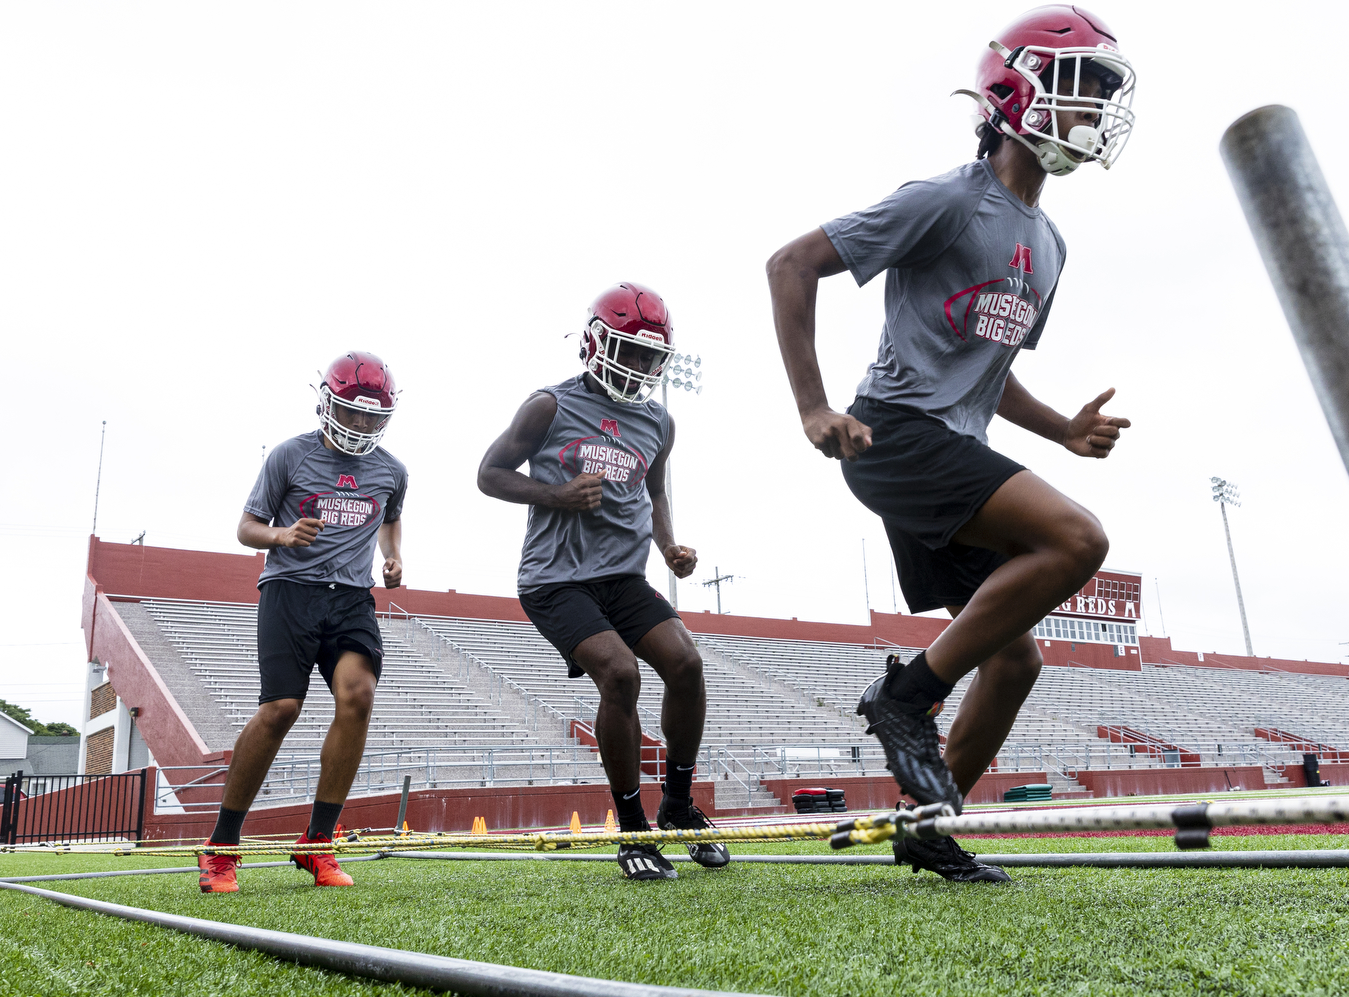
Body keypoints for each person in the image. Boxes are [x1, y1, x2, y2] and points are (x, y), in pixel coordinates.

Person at [765, 5, 1137, 882]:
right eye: (1083, 87)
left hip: (948, 445)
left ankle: (926, 826)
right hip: (893, 434)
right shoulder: (945, 198)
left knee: (1014, 660)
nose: (1095, 109)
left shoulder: (1050, 244)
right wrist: (813, 407)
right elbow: (790, 263)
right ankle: (906, 697)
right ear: (1019, 89)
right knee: (1079, 539)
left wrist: (1066, 433)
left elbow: (988, 372)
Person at [477, 283, 723, 882]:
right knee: (621, 673)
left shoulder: (658, 421)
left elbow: (655, 489)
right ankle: (633, 828)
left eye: (648, 357)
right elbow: (489, 473)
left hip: (622, 575)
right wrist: (555, 495)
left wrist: (669, 546)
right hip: (555, 581)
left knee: (687, 666)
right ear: (594, 341)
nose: (638, 366)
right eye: (628, 351)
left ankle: (679, 804)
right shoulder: (549, 406)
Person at [198, 353, 407, 893]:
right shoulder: (290, 456)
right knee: (281, 709)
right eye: (351, 413)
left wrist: (394, 556)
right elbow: (247, 528)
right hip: (291, 591)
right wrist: (283, 536)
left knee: (358, 696)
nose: (361, 424)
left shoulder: (392, 469)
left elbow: (390, 516)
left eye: (371, 416)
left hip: (352, 597)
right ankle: (221, 847)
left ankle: (317, 843)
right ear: (327, 403)